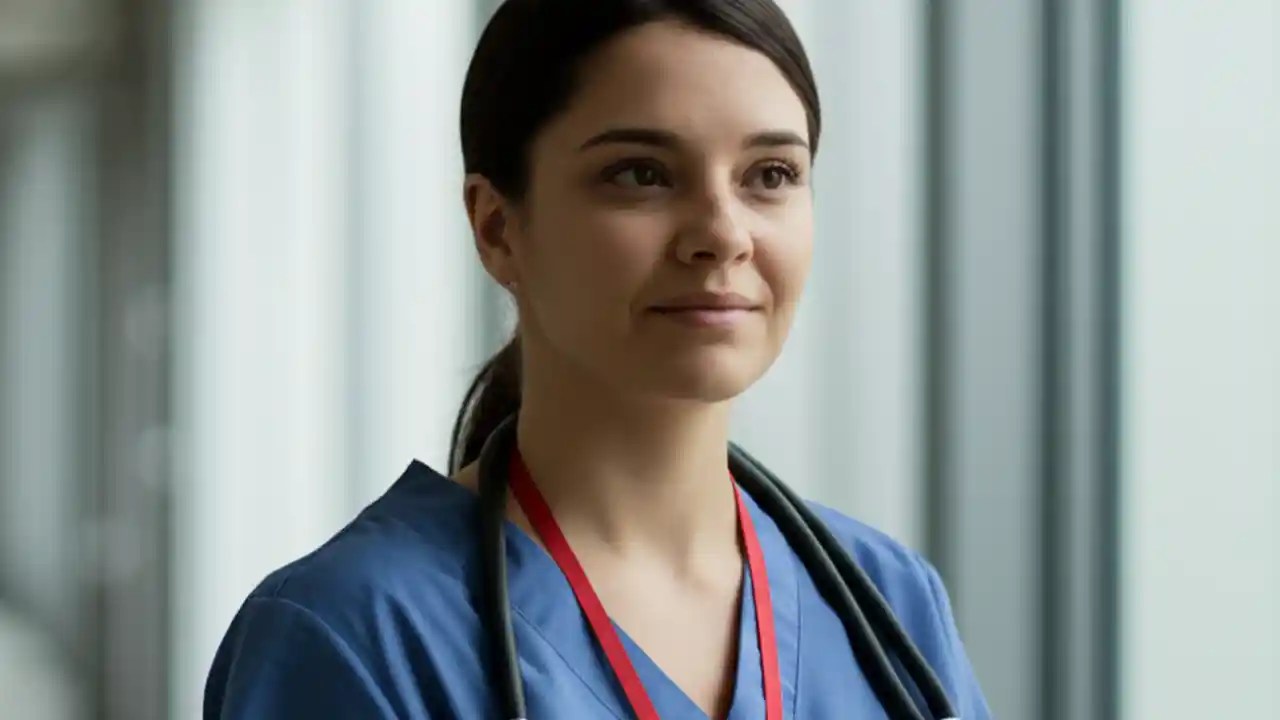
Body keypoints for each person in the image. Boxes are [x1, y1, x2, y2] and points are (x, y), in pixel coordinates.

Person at [204, 0, 992, 717]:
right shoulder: (355, 635)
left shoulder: (887, 604)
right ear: (497, 228)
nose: (723, 232)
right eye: (641, 174)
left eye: (770, 176)